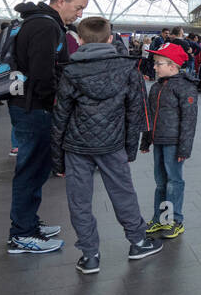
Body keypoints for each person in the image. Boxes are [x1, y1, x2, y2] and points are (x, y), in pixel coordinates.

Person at [51, 17, 160, 274]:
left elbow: (60, 116)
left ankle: (90, 255)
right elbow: (135, 113)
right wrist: (130, 149)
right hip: (113, 144)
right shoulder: (127, 71)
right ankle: (138, 241)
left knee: (79, 201)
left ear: (80, 40)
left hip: (76, 145)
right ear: (111, 39)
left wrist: (57, 159)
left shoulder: (70, 71)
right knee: (123, 193)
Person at [8, 0, 87, 254]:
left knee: (35, 168)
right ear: (61, 1)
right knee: (32, 170)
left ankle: (27, 223)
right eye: (78, 8)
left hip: (25, 104)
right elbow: (43, 73)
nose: (78, 15)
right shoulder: (46, 27)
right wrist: (56, 102)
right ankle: (22, 234)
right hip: (36, 108)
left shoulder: (35, 21)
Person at [140, 42, 199, 239]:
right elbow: (150, 116)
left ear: (173, 66)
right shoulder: (156, 87)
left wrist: (184, 148)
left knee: (174, 181)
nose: (154, 67)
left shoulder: (185, 87)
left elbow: (189, 120)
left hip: (174, 142)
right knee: (161, 182)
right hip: (159, 140)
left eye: (158, 63)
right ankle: (160, 219)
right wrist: (146, 140)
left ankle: (174, 220)